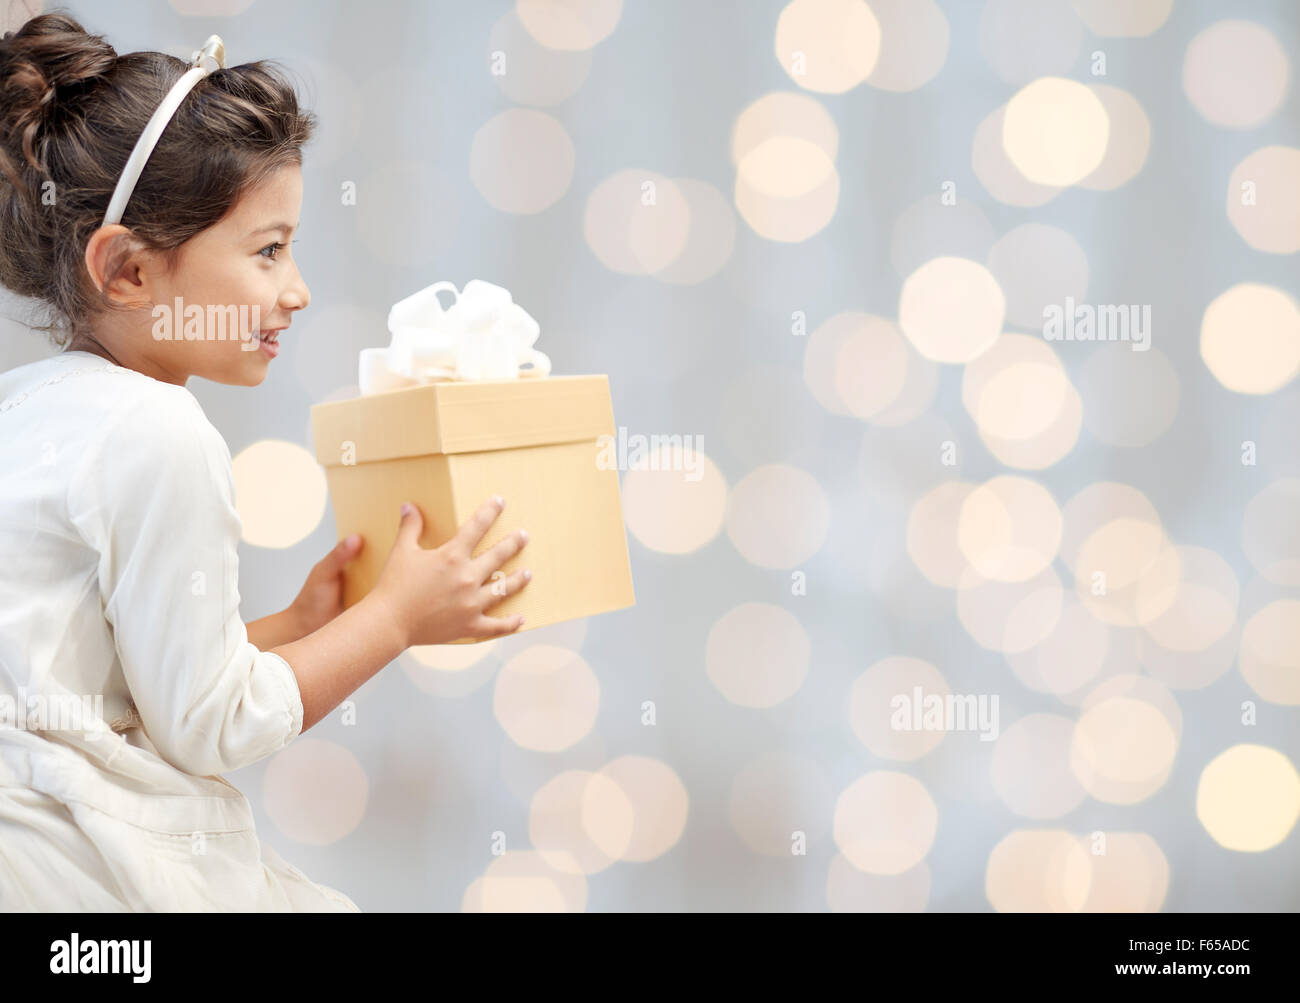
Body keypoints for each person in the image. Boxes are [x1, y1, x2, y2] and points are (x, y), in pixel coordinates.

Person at [0, 12, 531, 911]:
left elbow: (130, 687)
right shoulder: (159, 434)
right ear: (128, 270)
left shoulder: (30, 406)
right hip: (81, 867)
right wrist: (392, 620)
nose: (298, 289)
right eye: (269, 251)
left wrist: (299, 623)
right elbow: (210, 725)